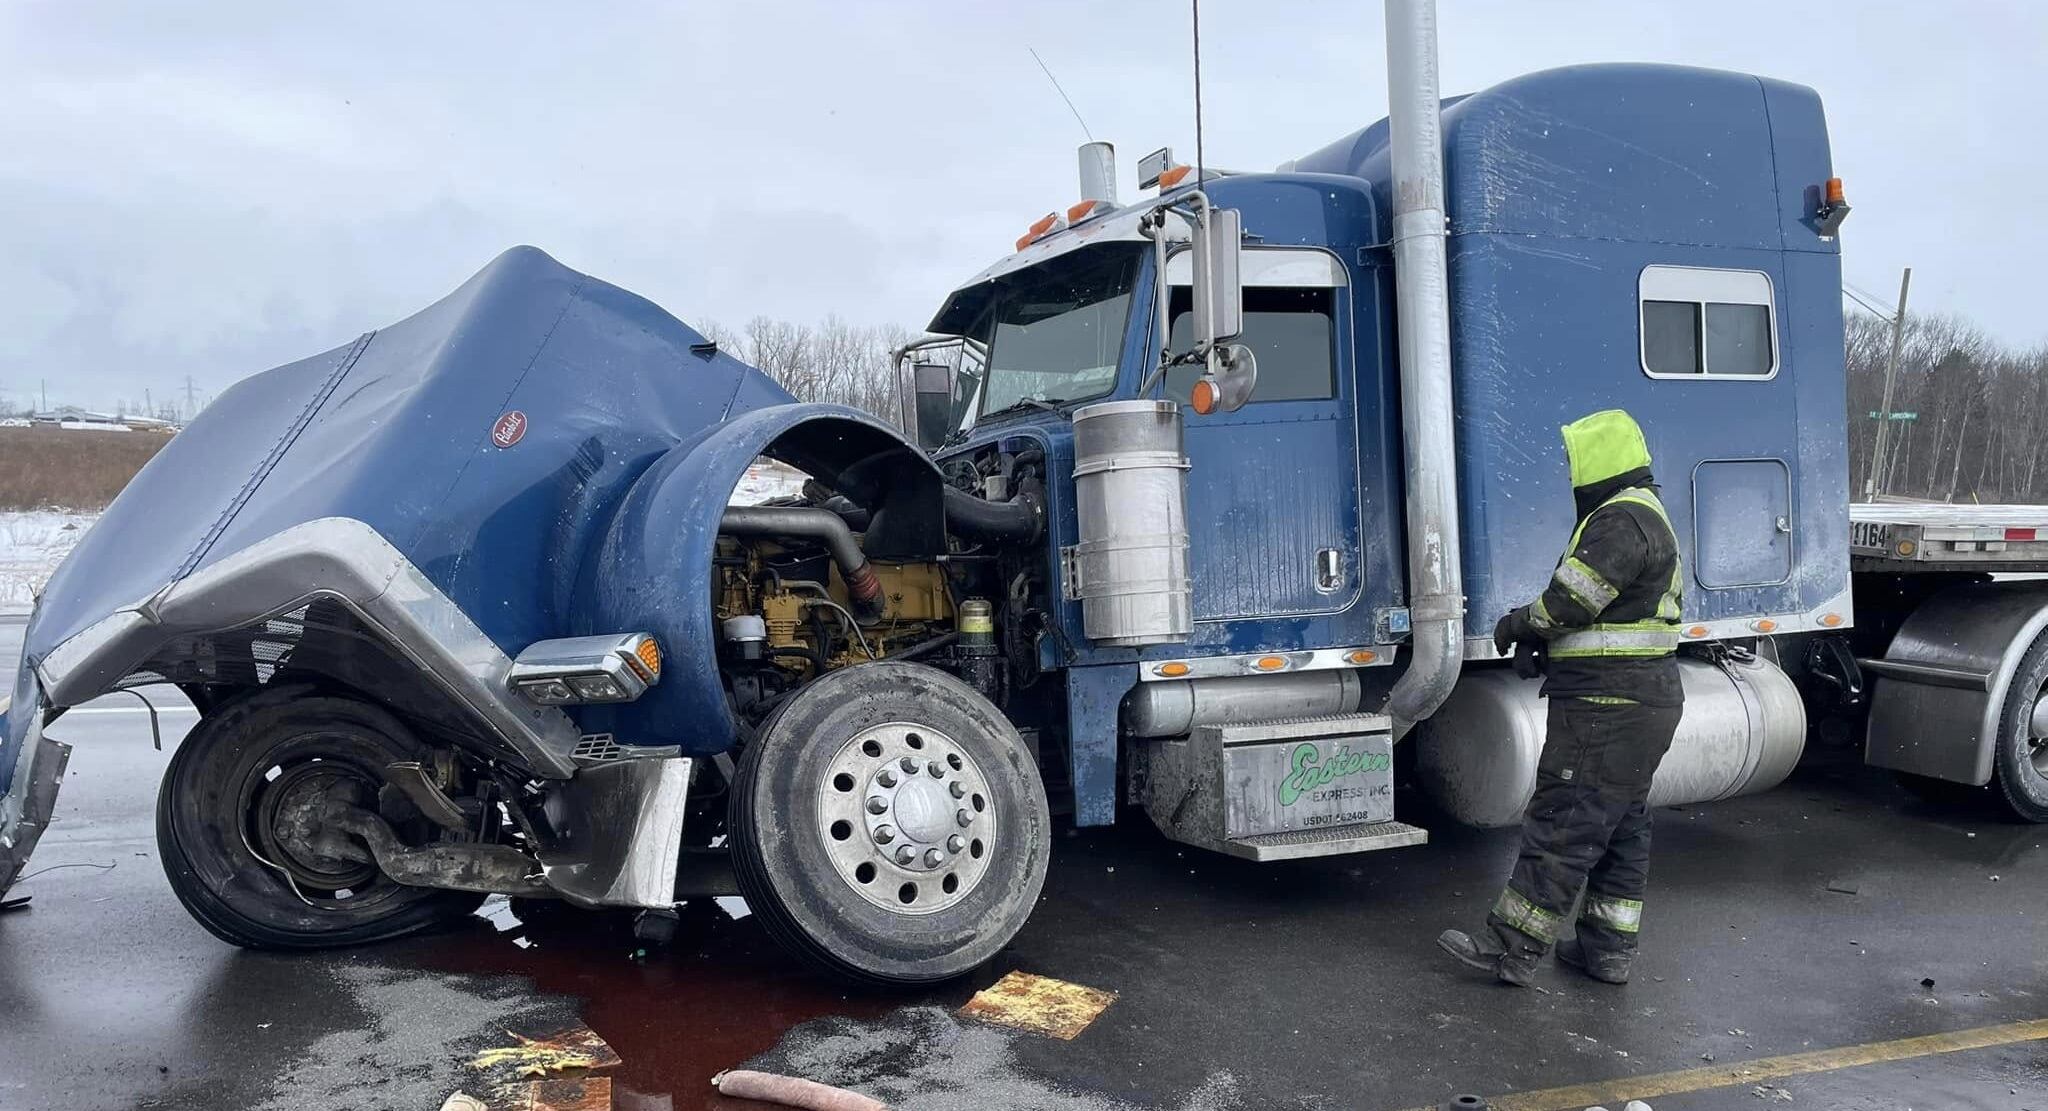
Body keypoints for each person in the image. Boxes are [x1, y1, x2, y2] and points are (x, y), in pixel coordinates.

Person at [1438, 409, 1685, 987]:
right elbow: (1617, 623)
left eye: (1576, 463)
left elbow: (1571, 602)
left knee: (1565, 821)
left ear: (1597, 462)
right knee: (1622, 826)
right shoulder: (1645, 516)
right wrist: (1553, 653)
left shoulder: (1619, 520)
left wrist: (1521, 625)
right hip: (1640, 700)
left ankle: (1512, 950)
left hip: (1607, 706)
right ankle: (1607, 950)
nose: (1571, 477)